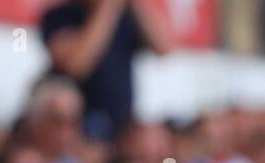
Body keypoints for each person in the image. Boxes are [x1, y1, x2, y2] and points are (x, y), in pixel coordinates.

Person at [41, 0, 173, 141]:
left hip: (121, 129)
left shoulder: (127, 17)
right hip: (76, 132)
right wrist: (108, 8)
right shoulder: (60, 16)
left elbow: (163, 48)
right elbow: (76, 65)